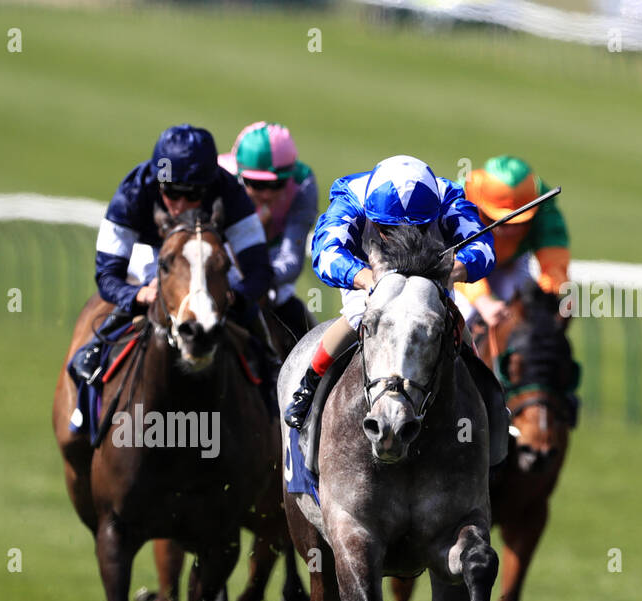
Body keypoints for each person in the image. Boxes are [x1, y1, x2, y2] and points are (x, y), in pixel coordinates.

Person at [282, 154, 495, 430]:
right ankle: (309, 384)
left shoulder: (447, 199)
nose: (400, 237)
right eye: (387, 229)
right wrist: (369, 279)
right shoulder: (352, 197)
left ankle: (482, 395)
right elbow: (326, 253)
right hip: (370, 273)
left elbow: (484, 249)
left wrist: (452, 271)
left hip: (429, 274)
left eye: (416, 228)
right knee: (360, 312)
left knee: (447, 317)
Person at [70, 124, 273, 383]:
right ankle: (94, 352)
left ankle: (270, 360)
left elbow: (259, 269)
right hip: (151, 255)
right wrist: (137, 294)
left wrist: (238, 297)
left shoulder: (230, 192)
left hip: (205, 258)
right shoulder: (132, 193)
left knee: (238, 295)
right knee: (146, 279)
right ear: (158, 183)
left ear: (210, 185)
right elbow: (107, 274)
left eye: (193, 195)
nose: (180, 206)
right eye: (172, 193)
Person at [454, 155, 569, 348]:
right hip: (461, 267)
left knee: (529, 313)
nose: (512, 230)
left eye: (521, 222)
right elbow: (460, 260)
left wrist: (549, 299)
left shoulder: (543, 202)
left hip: (510, 264)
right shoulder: (463, 196)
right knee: (464, 314)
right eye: (502, 222)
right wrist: (483, 301)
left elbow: (554, 258)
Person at [218, 121, 318, 339]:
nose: (266, 195)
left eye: (277, 185)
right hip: (220, 258)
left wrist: (259, 280)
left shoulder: (303, 185)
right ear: (239, 173)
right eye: (256, 184)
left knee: (302, 326)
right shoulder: (219, 177)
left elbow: (291, 259)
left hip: (269, 262)